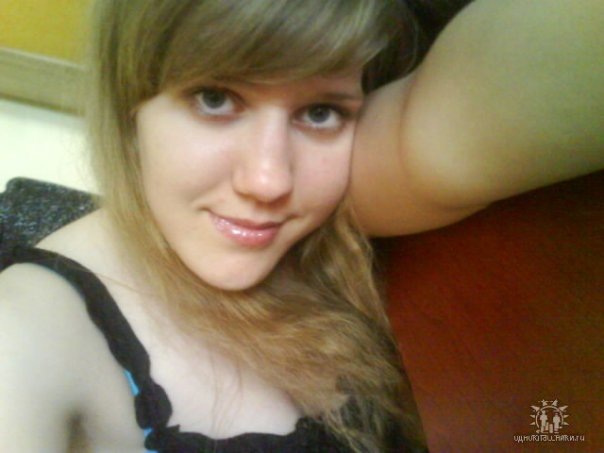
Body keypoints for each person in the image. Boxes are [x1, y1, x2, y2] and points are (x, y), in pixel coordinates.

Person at [0, 1, 602, 453]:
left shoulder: (338, 207)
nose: (269, 181)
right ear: (129, 106)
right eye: (215, 99)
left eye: (320, 112)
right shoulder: (27, 327)